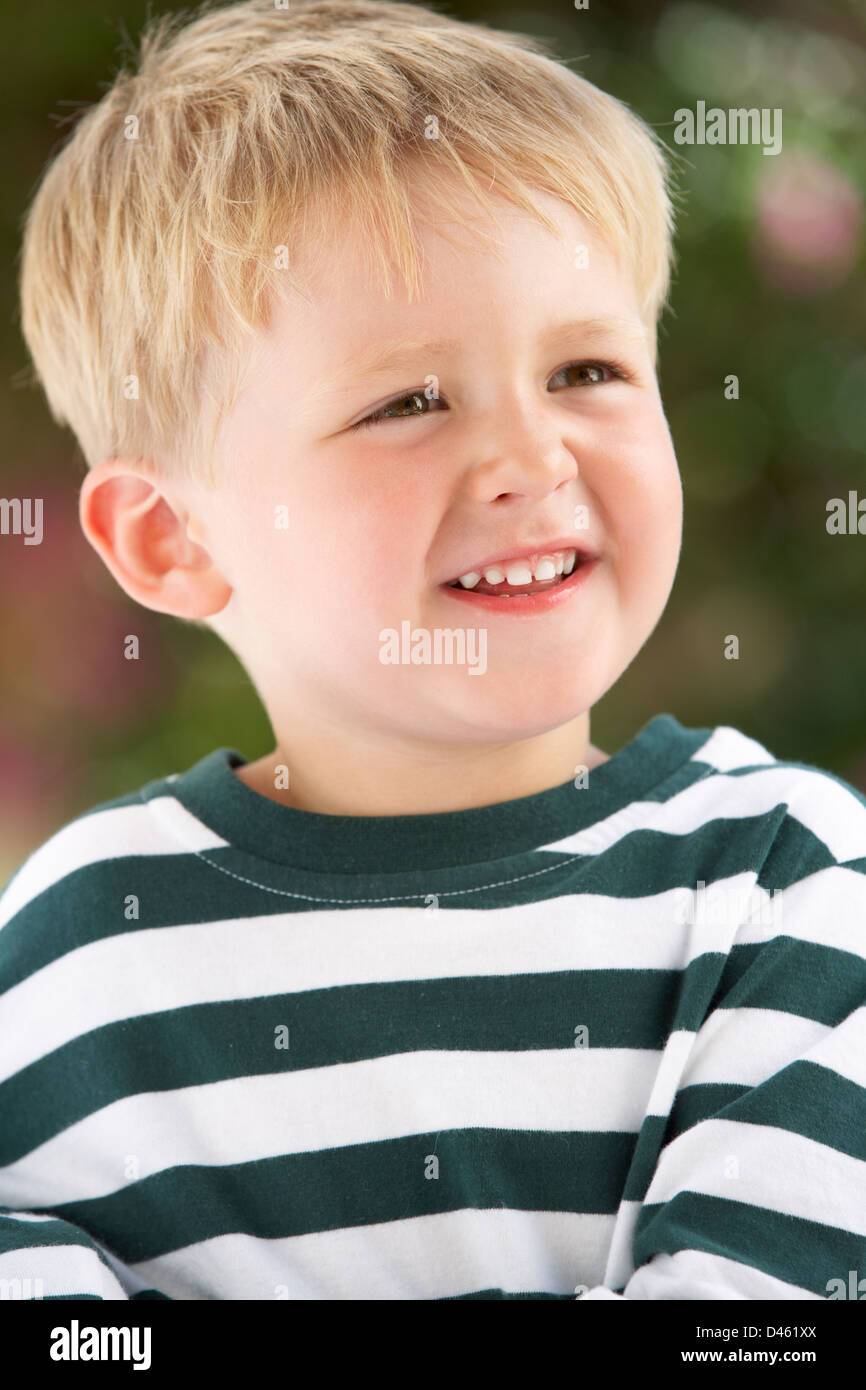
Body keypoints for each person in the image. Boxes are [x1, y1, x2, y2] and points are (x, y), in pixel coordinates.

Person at [3, 0, 863, 1300]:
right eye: (407, 400)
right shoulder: (68, 957)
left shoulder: (792, 887)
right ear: (173, 536)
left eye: (584, 369)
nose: (531, 457)